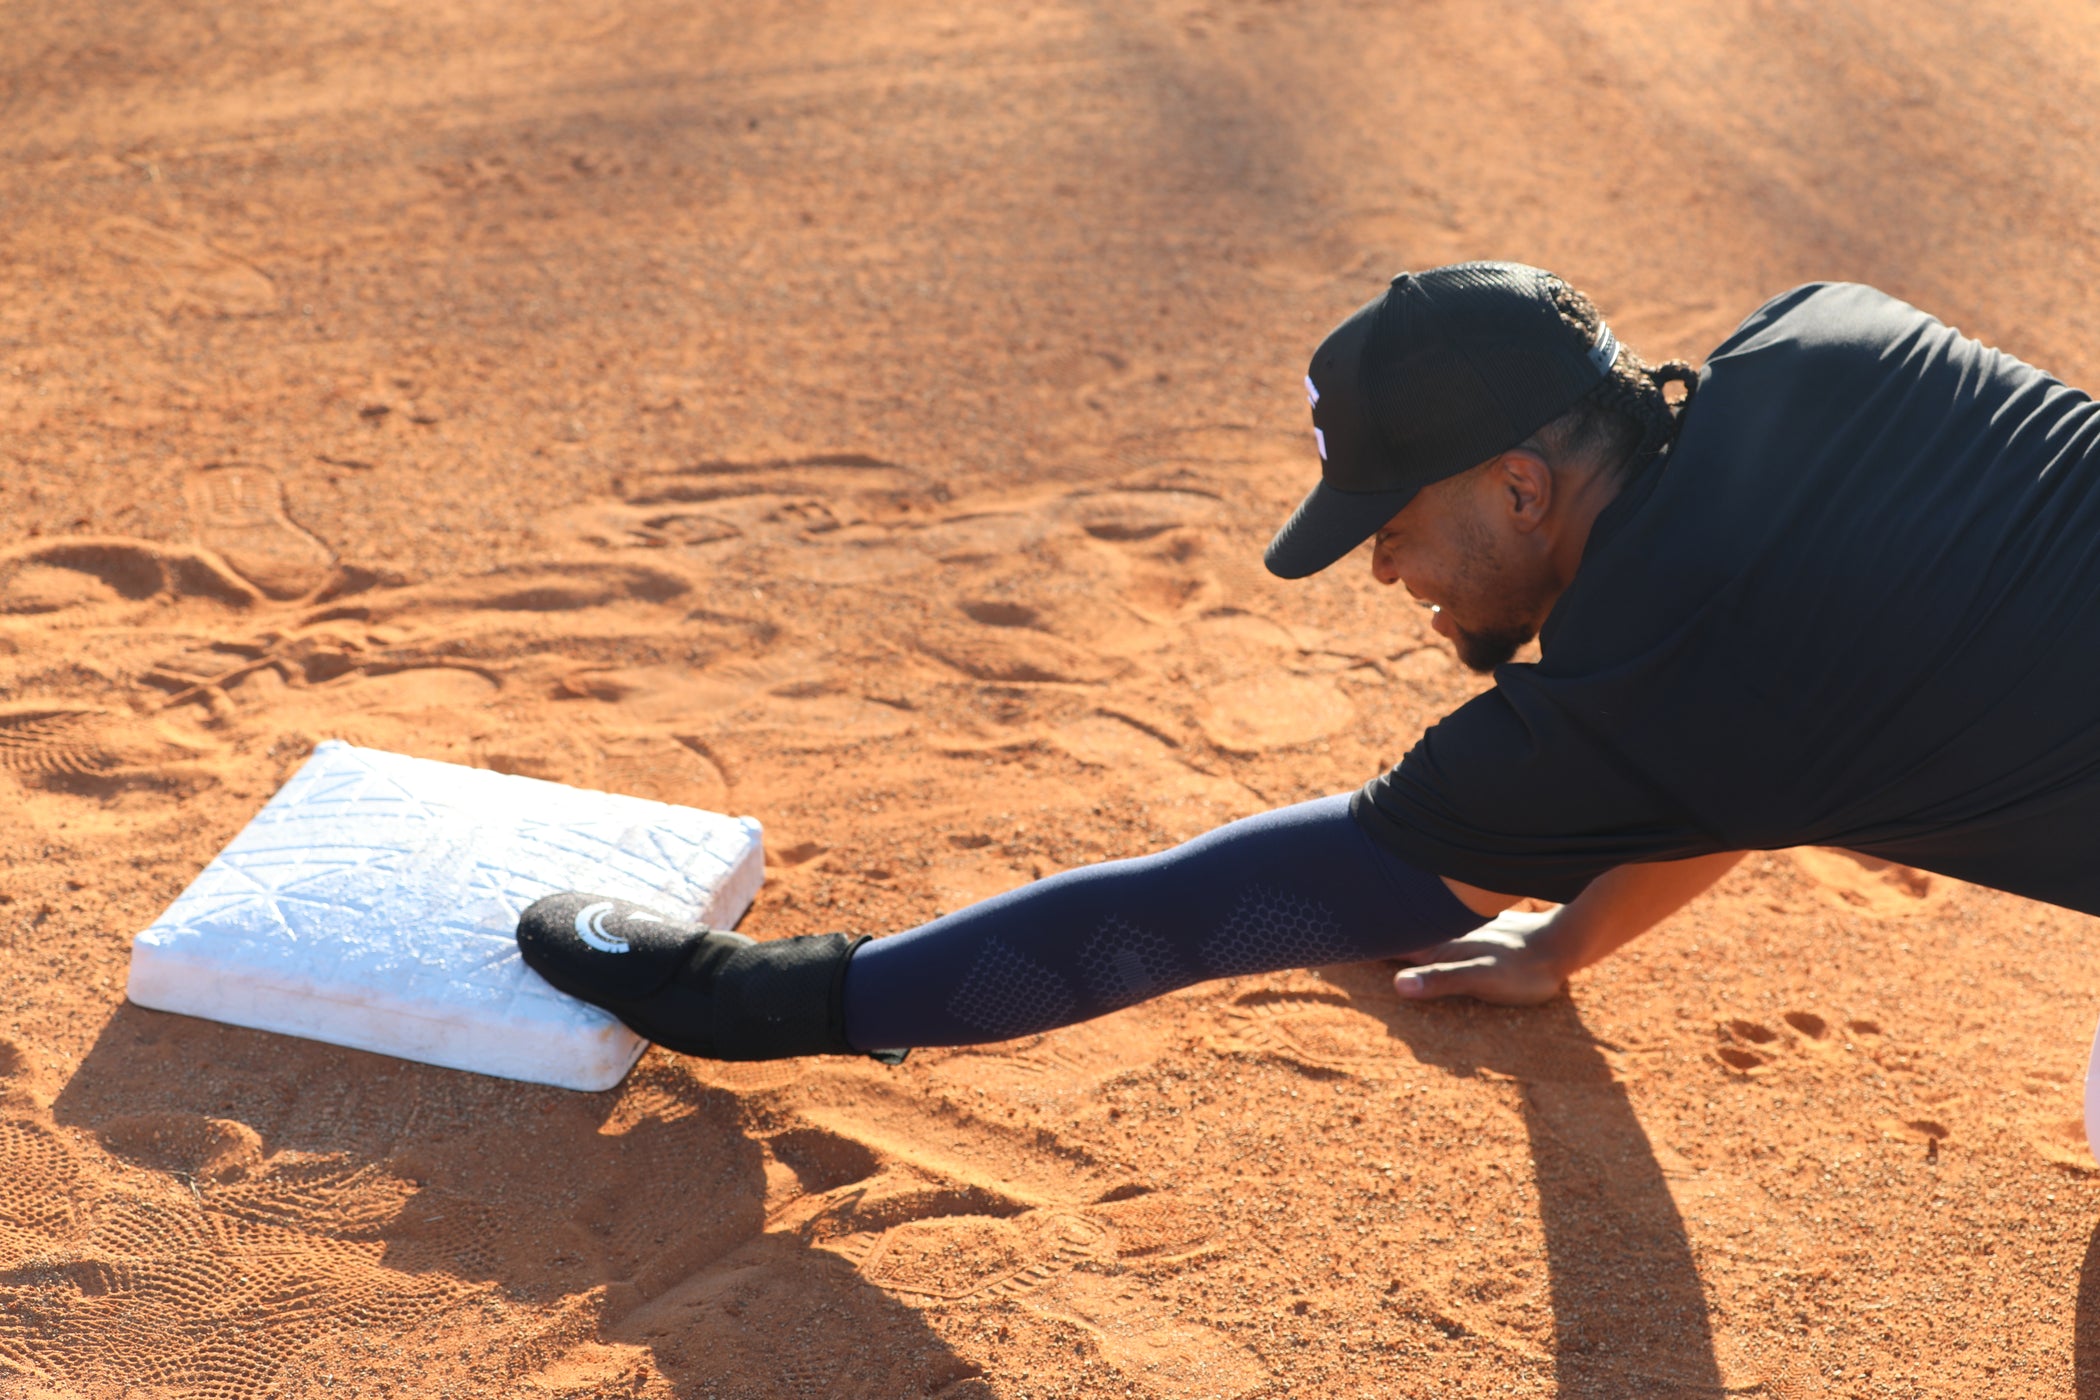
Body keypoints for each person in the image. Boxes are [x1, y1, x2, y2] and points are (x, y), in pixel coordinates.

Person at [517, 261, 2100, 1063]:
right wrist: (1576, 938)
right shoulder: (1829, 338)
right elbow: (1772, 712)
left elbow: (1194, 914)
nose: (1383, 570)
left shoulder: (1644, 692)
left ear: (1523, 484)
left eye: (1388, 524)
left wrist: (771, 1000)